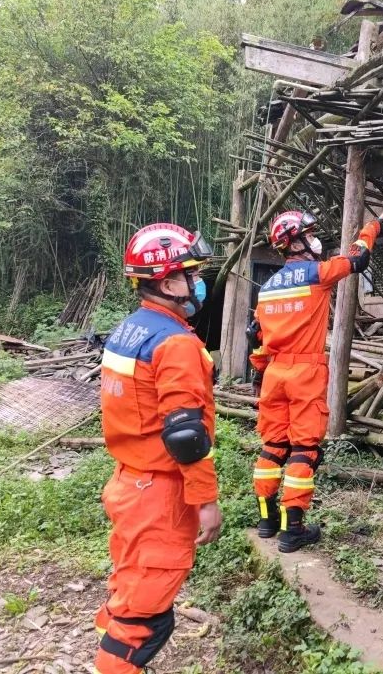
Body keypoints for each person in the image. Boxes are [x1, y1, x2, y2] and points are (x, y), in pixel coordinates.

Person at [94, 223, 223, 674]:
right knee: (142, 622)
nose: (197, 283)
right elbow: (187, 436)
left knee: (129, 592)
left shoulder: (128, 330)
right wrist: (206, 502)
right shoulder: (176, 343)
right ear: (168, 282)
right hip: (159, 496)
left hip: (128, 483)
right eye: (191, 274)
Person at [247, 210, 383, 552]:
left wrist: (260, 377)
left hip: (274, 373)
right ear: (295, 241)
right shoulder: (318, 274)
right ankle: (293, 529)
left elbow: (258, 337)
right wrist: (371, 228)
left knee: (273, 446)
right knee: (304, 450)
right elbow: (357, 259)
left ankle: (267, 520)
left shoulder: (266, 290)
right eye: (309, 234)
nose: (314, 239)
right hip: (305, 373)